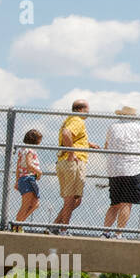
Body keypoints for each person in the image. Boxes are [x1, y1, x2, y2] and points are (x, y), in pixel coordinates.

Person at [102, 106, 140, 238]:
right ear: (134, 116)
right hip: (133, 169)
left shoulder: (112, 127)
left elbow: (106, 146)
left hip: (114, 170)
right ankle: (118, 233)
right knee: (126, 203)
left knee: (114, 204)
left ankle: (105, 232)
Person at [53, 99, 99, 231]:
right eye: (87, 110)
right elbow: (66, 134)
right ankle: (62, 230)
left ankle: (55, 225)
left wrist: (88, 144)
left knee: (76, 199)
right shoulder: (78, 120)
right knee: (71, 198)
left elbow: (72, 136)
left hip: (65, 161)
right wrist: (72, 153)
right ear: (80, 110)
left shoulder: (69, 119)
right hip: (73, 162)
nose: (88, 113)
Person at [13, 129, 43, 229]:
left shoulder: (22, 150)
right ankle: (17, 225)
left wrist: (17, 180)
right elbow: (29, 164)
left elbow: (18, 167)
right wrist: (39, 172)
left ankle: (19, 223)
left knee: (35, 203)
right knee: (26, 204)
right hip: (28, 178)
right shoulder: (29, 150)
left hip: (25, 178)